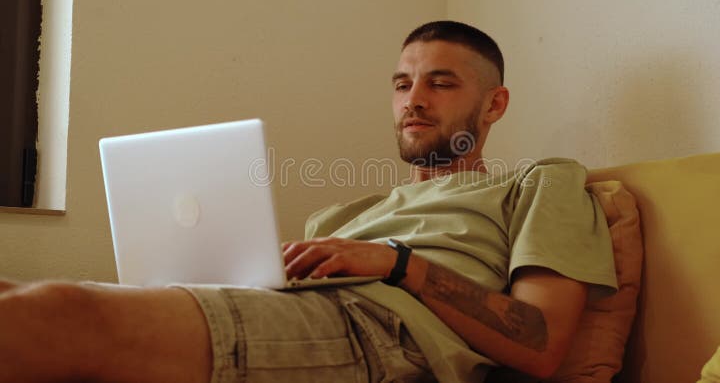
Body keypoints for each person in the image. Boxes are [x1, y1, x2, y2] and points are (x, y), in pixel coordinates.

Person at [0, 21, 617, 383]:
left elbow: (541, 342)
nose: (414, 100)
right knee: (14, 294)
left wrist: (396, 263)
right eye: (403, 83)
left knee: (54, 311)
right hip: (287, 309)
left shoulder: (540, 182)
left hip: (374, 334)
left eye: (441, 82)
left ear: (495, 104)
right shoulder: (346, 217)